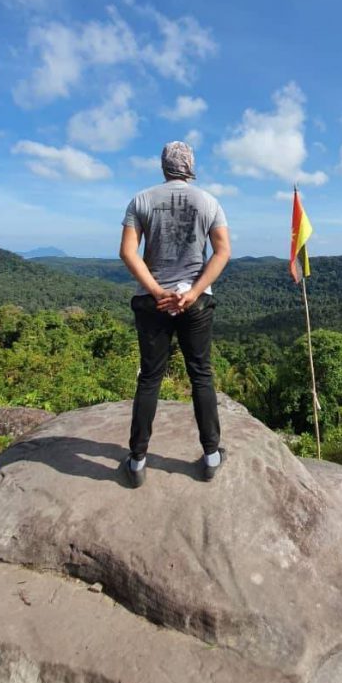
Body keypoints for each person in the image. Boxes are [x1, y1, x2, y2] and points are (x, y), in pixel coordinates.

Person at [119, 141, 231, 487]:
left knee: (150, 378)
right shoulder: (208, 202)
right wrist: (193, 293)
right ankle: (211, 455)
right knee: (201, 375)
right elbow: (222, 251)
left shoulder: (141, 200)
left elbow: (127, 252)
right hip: (194, 304)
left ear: (163, 165)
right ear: (190, 166)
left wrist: (156, 291)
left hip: (154, 303)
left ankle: (137, 460)